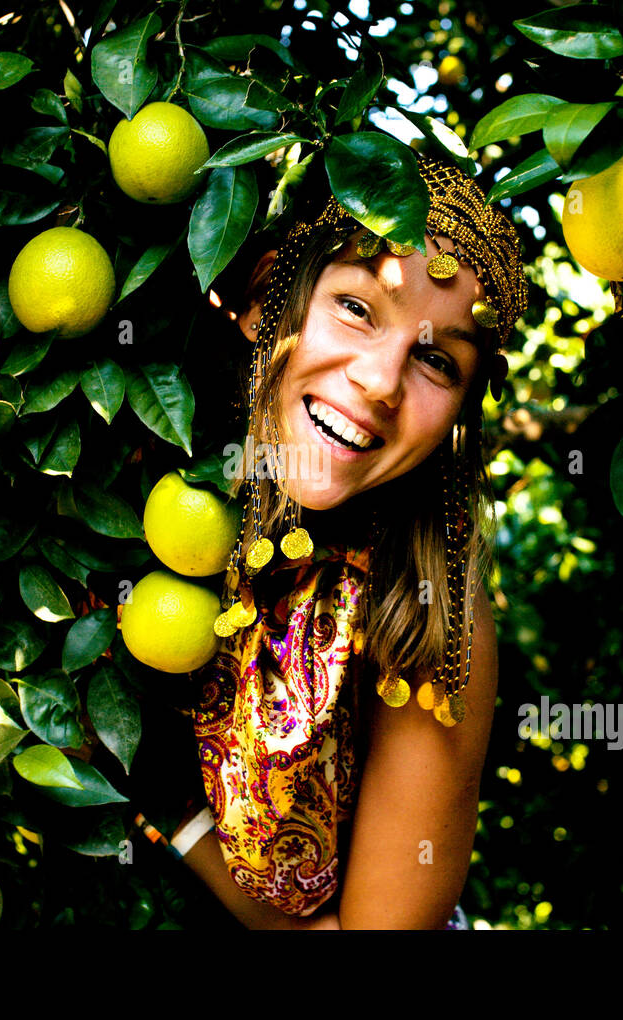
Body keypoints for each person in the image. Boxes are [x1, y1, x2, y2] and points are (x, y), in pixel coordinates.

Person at [144, 154, 528, 929]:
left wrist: (165, 808)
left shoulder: (429, 623)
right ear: (263, 300)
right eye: (357, 309)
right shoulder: (118, 463)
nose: (383, 381)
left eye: (435, 360)